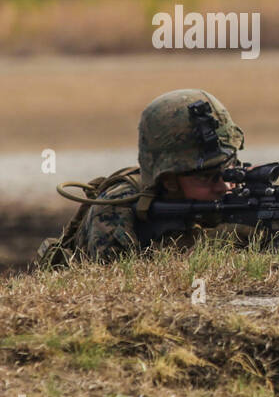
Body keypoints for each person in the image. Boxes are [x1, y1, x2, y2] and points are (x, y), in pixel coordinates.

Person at [36, 88, 247, 267]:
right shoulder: (117, 210)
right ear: (169, 180)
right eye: (206, 178)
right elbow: (116, 294)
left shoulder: (241, 196)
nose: (225, 186)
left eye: (230, 169)